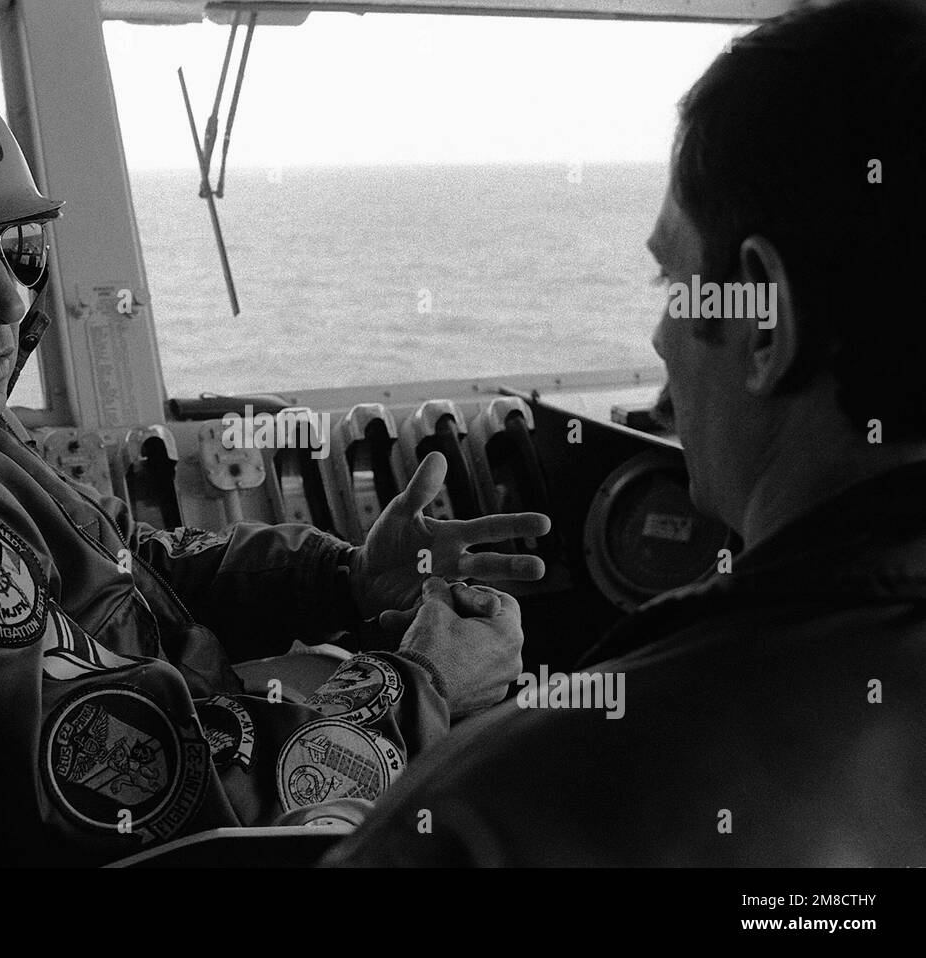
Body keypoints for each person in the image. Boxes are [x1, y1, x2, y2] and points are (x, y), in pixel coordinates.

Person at [0, 64, 549, 865]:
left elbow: (120, 564)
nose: (12, 299)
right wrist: (421, 682)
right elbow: (157, 799)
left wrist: (345, 576)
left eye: (20, 248)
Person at [325, 0, 926, 867]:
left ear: (762, 325)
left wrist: (415, 707)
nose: (659, 340)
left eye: (670, 279)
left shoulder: (513, 811)